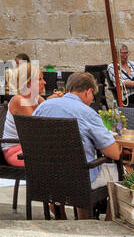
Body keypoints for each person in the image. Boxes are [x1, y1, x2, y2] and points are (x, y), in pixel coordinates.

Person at [32, 71, 123, 217]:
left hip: (45, 178)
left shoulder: (42, 107)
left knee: (74, 165)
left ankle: (62, 218)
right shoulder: (87, 112)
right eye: (92, 96)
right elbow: (113, 153)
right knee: (125, 171)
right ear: (88, 92)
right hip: (78, 180)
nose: (92, 100)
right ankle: (105, 226)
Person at [0, 60, 55, 167]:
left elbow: (50, 113)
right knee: (58, 161)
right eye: (40, 79)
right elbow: (39, 128)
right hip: (17, 152)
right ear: (29, 83)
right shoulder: (19, 100)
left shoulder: (36, 98)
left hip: (31, 147)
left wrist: (56, 100)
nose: (44, 82)